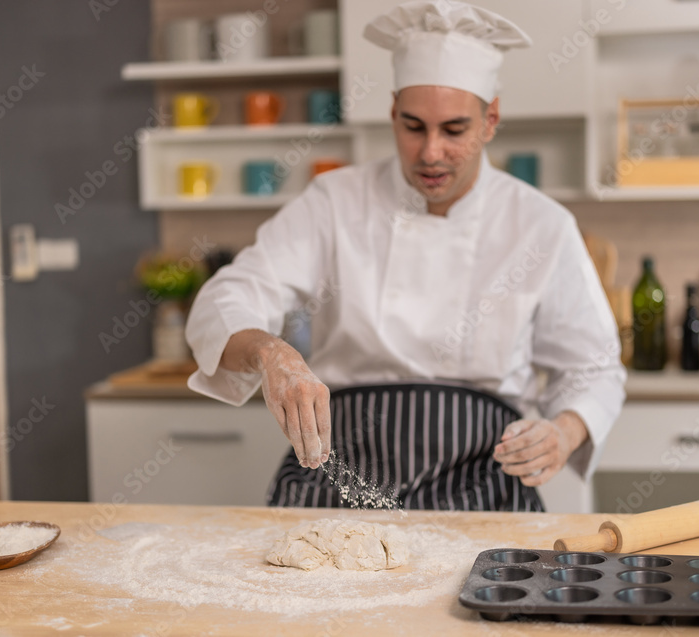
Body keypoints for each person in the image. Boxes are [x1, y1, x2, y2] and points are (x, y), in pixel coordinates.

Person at [185, 0, 626, 512]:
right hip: (340, 478)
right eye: (413, 127)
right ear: (393, 112)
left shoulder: (541, 224)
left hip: (483, 487)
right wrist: (272, 354)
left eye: (454, 130)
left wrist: (565, 431)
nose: (430, 152)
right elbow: (228, 295)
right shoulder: (335, 201)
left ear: (491, 120)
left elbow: (596, 368)